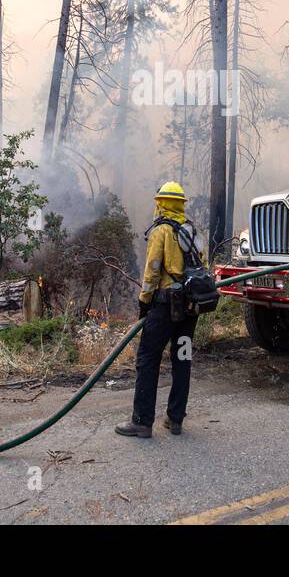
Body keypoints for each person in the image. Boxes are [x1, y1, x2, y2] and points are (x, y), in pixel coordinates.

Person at [116, 182, 199, 439]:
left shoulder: (161, 231)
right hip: (189, 310)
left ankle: (142, 422)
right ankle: (175, 420)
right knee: (182, 359)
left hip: (164, 308)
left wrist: (144, 301)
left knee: (148, 359)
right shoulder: (193, 231)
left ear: (161, 203)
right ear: (181, 204)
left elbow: (152, 270)